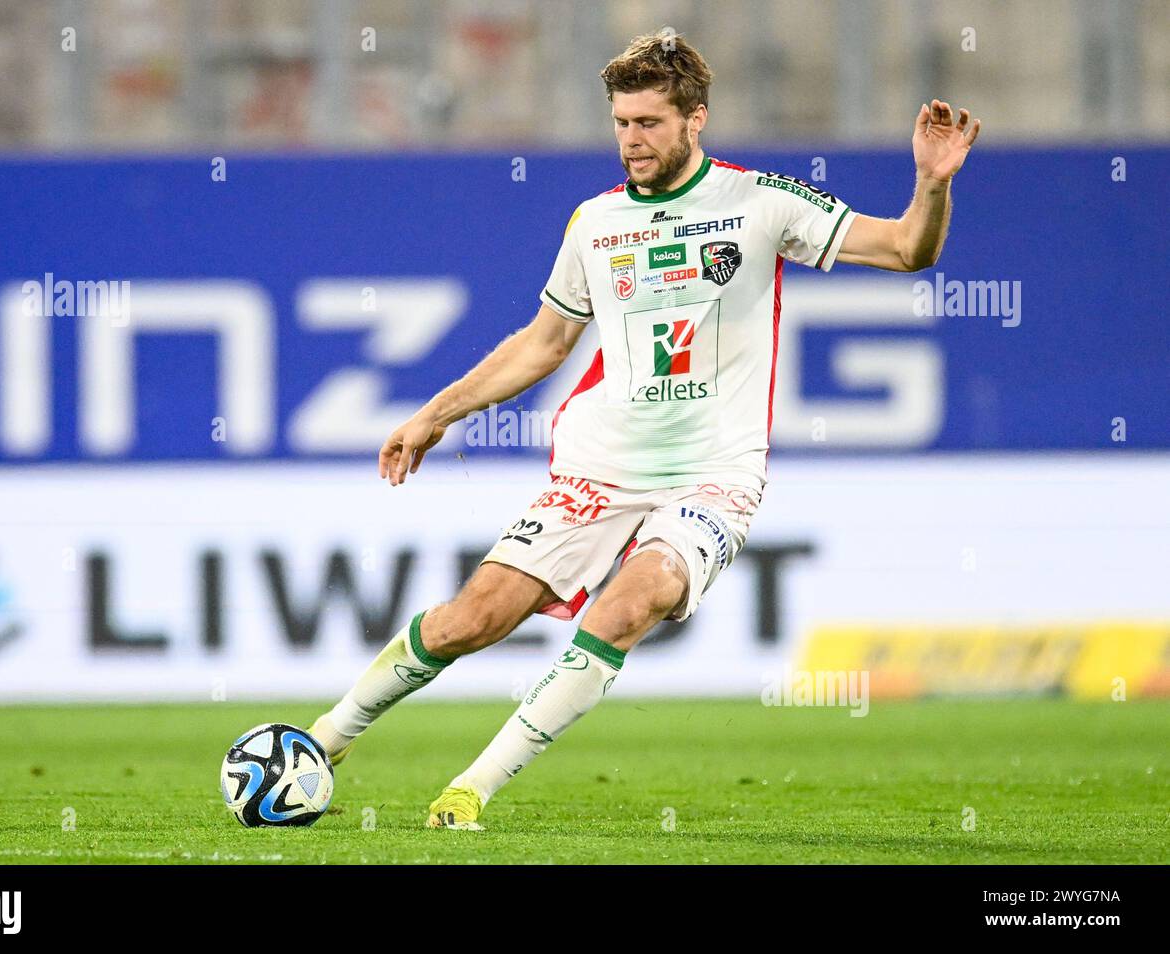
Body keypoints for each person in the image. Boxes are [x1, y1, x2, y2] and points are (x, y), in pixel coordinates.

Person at [307, 29, 981, 830]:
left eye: (650, 123)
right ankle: (323, 742)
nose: (631, 139)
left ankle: (470, 790)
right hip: (600, 467)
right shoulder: (596, 223)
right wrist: (432, 415)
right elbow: (544, 343)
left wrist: (930, 185)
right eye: (622, 122)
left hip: (713, 478)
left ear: (696, 119)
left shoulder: (759, 202)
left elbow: (908, 249)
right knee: (472, 619)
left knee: (630, 605)